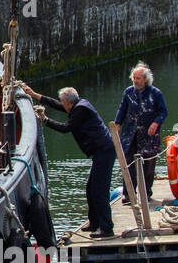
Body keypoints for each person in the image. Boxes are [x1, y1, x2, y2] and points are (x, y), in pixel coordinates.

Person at [23, 84, 117, 238]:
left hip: (104, 152)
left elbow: (66, 128)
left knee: (99, 191)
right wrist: (35, 95)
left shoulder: (81, 110)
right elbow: (59, 105)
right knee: (90, 188)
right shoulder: (79, 105)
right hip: (100, 152)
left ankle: (107, 228)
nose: (62, 105)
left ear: (68, 102)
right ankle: (94, 222)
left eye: (63, 102)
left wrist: (45, 120)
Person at [113, 63, 168, 200]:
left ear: (145, 79)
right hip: (130, 134)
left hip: (148, 135)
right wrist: (117, 124)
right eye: (134, 78)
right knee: (128, 164)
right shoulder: (128, 92)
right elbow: (122, 109)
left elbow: (163, 112)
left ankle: (146, 194)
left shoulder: (155, 93)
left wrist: (156, 123)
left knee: (148, 166)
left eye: (138, 78)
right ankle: (128, 194)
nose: (135, 81)